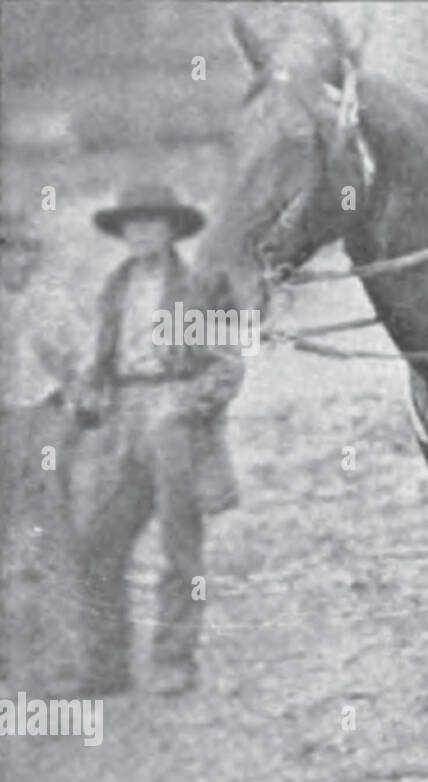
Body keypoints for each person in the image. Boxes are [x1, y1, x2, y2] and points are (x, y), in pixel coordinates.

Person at [71, 182, 244, 696]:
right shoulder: (114, 287)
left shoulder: (198, 288)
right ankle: (107, 666)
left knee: (180, 551)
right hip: (121, 420)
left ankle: (175, 660)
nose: (139, 232)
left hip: (176, 427)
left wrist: (183, 405)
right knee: (98, 543)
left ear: (171, 230)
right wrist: (88, 392)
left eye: (151, 222)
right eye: (131, 223)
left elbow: (228, 370)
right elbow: (99, 362)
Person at [1, 210, 82, 687]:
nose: (17, 260)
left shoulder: (52, 302)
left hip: (45, 417)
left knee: (50, 530)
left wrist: (71, 395)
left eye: (25, 249)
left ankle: (63, 657)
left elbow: (82, 368)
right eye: (7, 250)